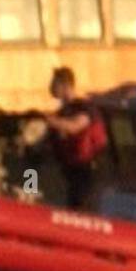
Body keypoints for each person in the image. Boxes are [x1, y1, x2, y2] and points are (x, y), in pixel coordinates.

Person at [43, 66, 106, 209]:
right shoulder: (60, 114)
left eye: (55, 83)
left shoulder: (84, 107)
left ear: (65, 85)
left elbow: (75, 126)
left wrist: (49, 120)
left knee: (81, 205)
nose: (51, 87)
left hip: (86, 170)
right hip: (69, 171)